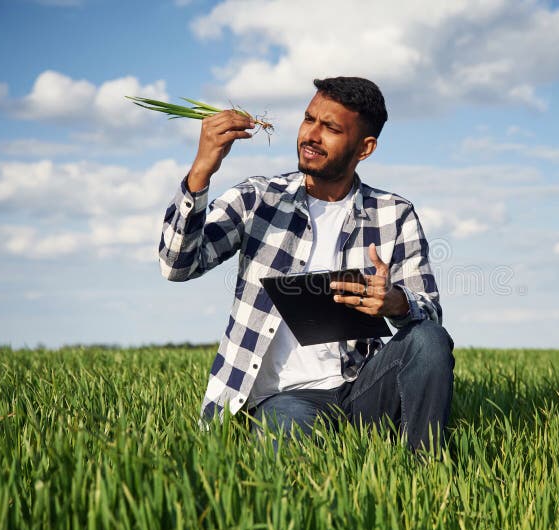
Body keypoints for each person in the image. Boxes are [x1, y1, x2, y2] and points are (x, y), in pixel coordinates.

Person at [158, 76, 454, 452]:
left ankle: (425, 473)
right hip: (287, 398)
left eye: (330, 127)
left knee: (429, 339)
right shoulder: (259, 198)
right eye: (309, 119)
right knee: (289, 467)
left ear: (365, 148)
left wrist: (395, 301)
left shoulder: (394, 213)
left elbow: (430, 312)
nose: (311, 135)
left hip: (362, 388)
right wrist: (202, 171)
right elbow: (176, 265)